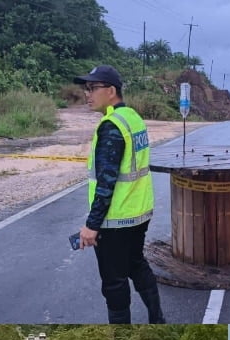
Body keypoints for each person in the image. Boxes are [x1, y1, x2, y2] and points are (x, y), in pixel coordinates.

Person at [73, 65, 165, 324]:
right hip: (138, 213)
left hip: (115, 221)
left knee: (114, 283)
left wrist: (92, 225)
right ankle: (157, 320)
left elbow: (106, 182)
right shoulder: (133, 118)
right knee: (137, 264)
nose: (87, 94)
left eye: (92, 88)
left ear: (111, 91)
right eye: (86, 88)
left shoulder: (111, 126)